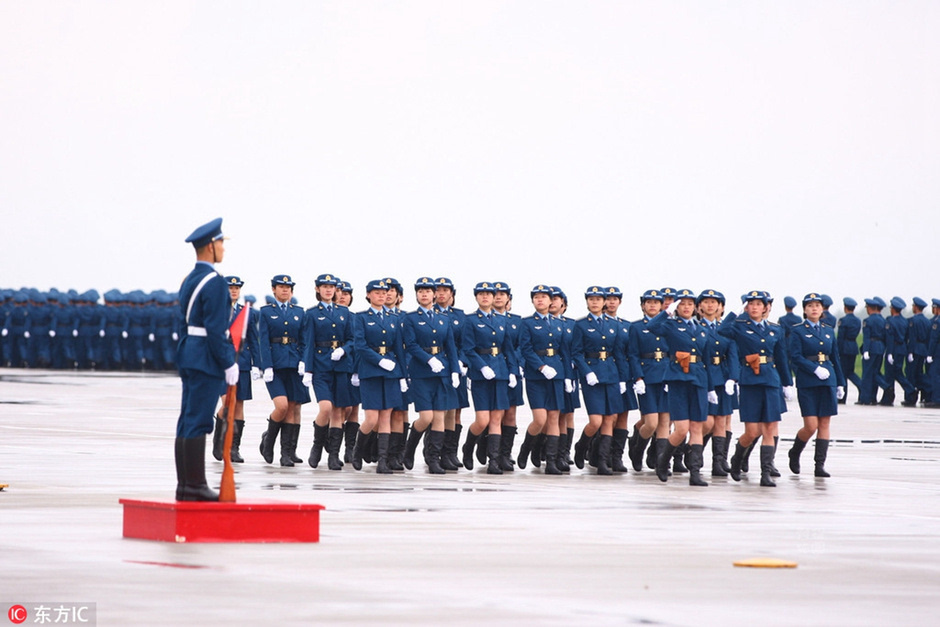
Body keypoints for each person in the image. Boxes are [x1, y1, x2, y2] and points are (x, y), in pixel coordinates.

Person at [175, 218, 238, 501]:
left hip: (190, 353)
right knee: (199, 420)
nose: (223, 248)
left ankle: (186, 485)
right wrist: (228, 362)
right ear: (211, 246)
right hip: (205, 359)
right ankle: (196, 485)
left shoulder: (190, 279)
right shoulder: (214, 282)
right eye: (221, 243)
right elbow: (215, 329)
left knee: (187, 419)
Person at [718, 290, 793, 487]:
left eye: (758, 304)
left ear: (766, 307)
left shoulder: (775, 329)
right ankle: (737, 459)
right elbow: (721, 331)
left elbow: (781, 357)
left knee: (769, 428)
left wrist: (787, 383)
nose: (754, 307)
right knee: (751, 431)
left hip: (770, 380)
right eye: (750, 304)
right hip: (750, 380)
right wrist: (734, 313)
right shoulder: (739, 327)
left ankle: (765, 473)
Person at [646, 289, 716, 486]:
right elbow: (652, 327)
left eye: (689, 303)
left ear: (696, 307)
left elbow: (707, 360)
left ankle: (695, 472)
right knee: (681, 428)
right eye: (682, 303)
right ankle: (663, 459)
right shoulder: (670, 325)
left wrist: (710, 388)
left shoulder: (703, 329)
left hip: (699, 380)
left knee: (697, 427)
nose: (686, 307)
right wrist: (666, 312)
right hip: (678, 379)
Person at [401, 277, 461, 474]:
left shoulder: (444, 319)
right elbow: (411, 345)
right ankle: (409, 449)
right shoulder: (410, 318)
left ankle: (433, 458)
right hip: (421, 372)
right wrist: (428, 359)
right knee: (425, 417)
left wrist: (454, 370)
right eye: (420, 291)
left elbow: (450, 347)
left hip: (442, 372)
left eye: (427, 291)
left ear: (434, 294)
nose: (424, 294)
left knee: (439, 417)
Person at [350, 279, 409, 474]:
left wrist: (402, 375)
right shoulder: (361, 318)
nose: (382, 295)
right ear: (368, 295)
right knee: (372, 418)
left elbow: (399, 348)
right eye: (377, 292)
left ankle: (383, 460)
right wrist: (378, 360)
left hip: (391, 371)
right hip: (371, 371)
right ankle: (358, 451)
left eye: (384, 292)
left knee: (386, 416)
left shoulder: (393, 318)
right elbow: (360, 345)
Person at [460, 282, 519, 474]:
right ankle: (469, 446)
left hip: (501, 372)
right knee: (483, 420)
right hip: (481, 374)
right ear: (476, 297)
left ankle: (493, 461)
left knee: (497, 418)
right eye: (481, 294)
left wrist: (512, 372)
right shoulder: (470, 320)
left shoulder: (502, 320)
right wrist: (482, 366)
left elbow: (508, 349)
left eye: (489, 294)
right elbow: (468, 348)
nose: (485, 297)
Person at [786, 293, 846, 478]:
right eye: (810, 305)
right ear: (804, 309)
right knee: (811, 426)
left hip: (828, 378)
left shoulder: (828, 330)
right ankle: (795, 451)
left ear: (822, 309)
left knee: (825, 423)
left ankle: (819, 465)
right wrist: (814, 369)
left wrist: (840, 383)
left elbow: (835, 357)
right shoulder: (798, 330)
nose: (814, 308)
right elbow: (795, 356)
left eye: (817, 306)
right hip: (808, 380)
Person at [302, 273, 355, 471]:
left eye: (331, 287)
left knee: (339, 412)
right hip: (320, 366)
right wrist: (307, 369)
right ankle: (317, 445)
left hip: (340, 366)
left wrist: (344, 350)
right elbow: (308, 343)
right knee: (325, 408)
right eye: (324, 286)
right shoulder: (312, 314)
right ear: (317, 289)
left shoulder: (345, 313)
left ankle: (333, 454)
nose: (328, 290)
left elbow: (352, 339)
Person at [571, 286, 626, 476]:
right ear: (587, 302)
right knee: (595, 421)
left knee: (610, 419)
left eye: (598, 299)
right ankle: (581, 446)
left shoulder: (614, 325)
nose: (594, 302)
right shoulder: (580, 325)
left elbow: (618, 353)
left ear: (604, 302)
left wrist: (623, 379)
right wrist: (586, 372)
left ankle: (602, 460)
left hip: (611, 373)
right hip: (592, 375)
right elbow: (576, 353)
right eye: (591, 299)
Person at [258, 275, 311, 467]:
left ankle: (287, 453)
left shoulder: (299, 312)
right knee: (282, 406)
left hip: (294, 364)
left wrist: (304, 362)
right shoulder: (265, 312)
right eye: (281, 287)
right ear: (274, 290)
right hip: (276, 365)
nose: (285, 290)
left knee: (294, 407)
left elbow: (304, 340)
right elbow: (263, 341)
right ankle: (268, 440)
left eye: (288, 287)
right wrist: (267, 366)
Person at [517, 285, 569, 474]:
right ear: (533, 301)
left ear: (551, 301)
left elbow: (564, 352)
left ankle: (551, 461)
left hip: (557, 372)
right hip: (536, 376)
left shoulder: (559, 324)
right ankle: (526, 448)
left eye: (544, 297)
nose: (540, 300)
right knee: (540, 419)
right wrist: (541, 366)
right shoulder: (527, 323)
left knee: (554, 417)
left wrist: (567, 377)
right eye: (536, 297)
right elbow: (526, 349)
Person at [211, 276, 261, 464]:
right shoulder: (217, 311)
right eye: (230, 288)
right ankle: (219, 441)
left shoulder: (247, 313)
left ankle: (234, 448)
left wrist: (257, 364)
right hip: (223, 362)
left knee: (239, 405)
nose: (234, 291)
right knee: (227, 403)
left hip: (242, 362)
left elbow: (253, 340)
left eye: (236, 288)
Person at [627, 290, 671, 473]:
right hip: (647, 377)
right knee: (651, 422)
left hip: (666, 377)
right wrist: (638, 377)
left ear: (662, 305)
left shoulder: (670, 325)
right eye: (648, 302)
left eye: (656, 302)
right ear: (643, 305)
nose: (652, 305)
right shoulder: (636, 327)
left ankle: (662, 462)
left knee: (665, 422)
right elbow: (633, 355)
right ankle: (637, 450)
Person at [696, 289, 738, 477]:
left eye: (715, 302)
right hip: (703, 376)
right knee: (707, 422)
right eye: (706, 302)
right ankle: (691, 453)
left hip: (722, 376)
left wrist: (732, 378)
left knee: (721, 420)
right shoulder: (695, 328)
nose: (710, 305)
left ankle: (719, 462)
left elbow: (733, 355)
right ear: (699, 307)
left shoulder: (727, 330)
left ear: (721, 307)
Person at [433, 277, 468, 470]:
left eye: (445, 290)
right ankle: (436, 452)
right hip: (438, 366)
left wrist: (462, 362)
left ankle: (450, 451)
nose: (441, 293)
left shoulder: (459, 316)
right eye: (438, 290)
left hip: (456, 367)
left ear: (452, 294)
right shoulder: (431, 314)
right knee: (440, 410)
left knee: (456, 410)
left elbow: (464, 343)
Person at [604, 286, 638, 473]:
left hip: (624, 374)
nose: (611, 302)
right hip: (608, 373)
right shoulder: (599, 324)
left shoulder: (627, 325)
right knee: (610, 416)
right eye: (608, 299)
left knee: (623, 415)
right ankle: (601, 451)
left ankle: (616, 456)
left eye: (614, 299)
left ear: (620, 302)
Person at [334, 280, 361, 462]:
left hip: (354, 365)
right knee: (339, 408)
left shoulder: (355, 317)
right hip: (335, 367)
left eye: (347, 293)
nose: (343, 296)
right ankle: (330, 439)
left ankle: (350, 448)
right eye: (340, 292)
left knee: (354, 408)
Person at [882, 297, 914, 406]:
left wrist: (889, 352)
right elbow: (907, 337)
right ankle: (909, 390)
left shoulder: (890, 321)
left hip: (893, 349)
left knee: (890, 374)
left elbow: (890, 338)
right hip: (902, 349)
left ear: (893, 309)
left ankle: (890, 397)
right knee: (898, 372)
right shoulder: (905, 321)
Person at [858, 297, 888, 405]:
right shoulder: (883, 320)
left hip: (871, 348)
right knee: (875, 372)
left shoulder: (868, 320)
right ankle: (873, 397)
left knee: (867, 374)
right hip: (880, 348)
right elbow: (885, 337)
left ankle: (866, 398)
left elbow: (867, 337)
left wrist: (865, 351)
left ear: (870, 308)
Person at [904, 297, 931, 406]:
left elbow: (913, 337)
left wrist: (910, 351)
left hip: (915, 350)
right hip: (923, 349)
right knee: (919, 373)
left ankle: (910, 397)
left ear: (916, 307)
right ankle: (926, 389)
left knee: (910, 373)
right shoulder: (927, 321)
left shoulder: (913, 321)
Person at [837, 297, 862, 403]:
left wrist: (837, 351)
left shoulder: (843, 320)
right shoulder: (858, 320)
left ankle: (842, 397)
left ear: (845, 307)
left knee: (843, 373)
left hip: (844, 348)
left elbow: (840, 337)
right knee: (850, 372)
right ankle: (862, 386)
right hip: (853, 347)